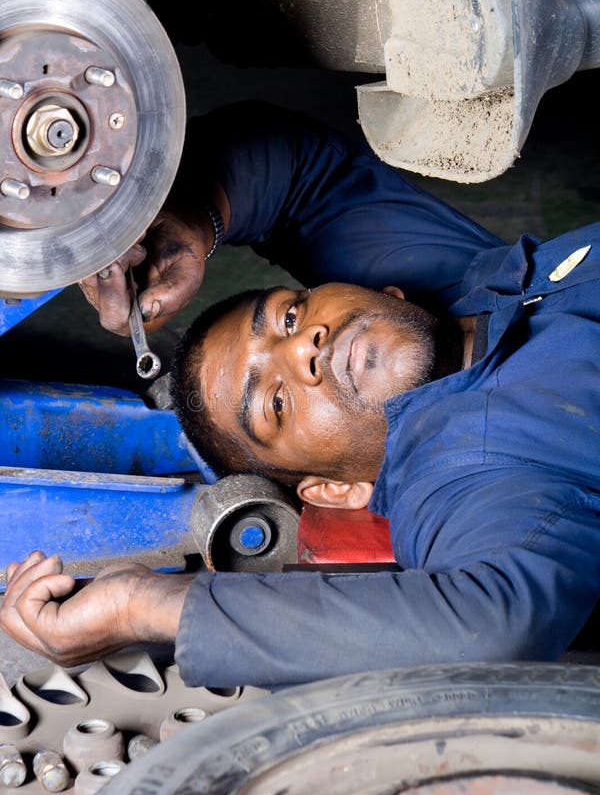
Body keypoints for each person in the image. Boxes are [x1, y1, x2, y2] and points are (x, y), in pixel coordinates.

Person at [1, 103, 598, 689]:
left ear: (381, 292)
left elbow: (301, 175)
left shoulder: (447, 292)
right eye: (276, 405)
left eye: (288, 318)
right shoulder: (469, 480)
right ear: (338, 489)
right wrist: (143, 605)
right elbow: (492, 628)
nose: (304, 351)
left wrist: (188, 220)